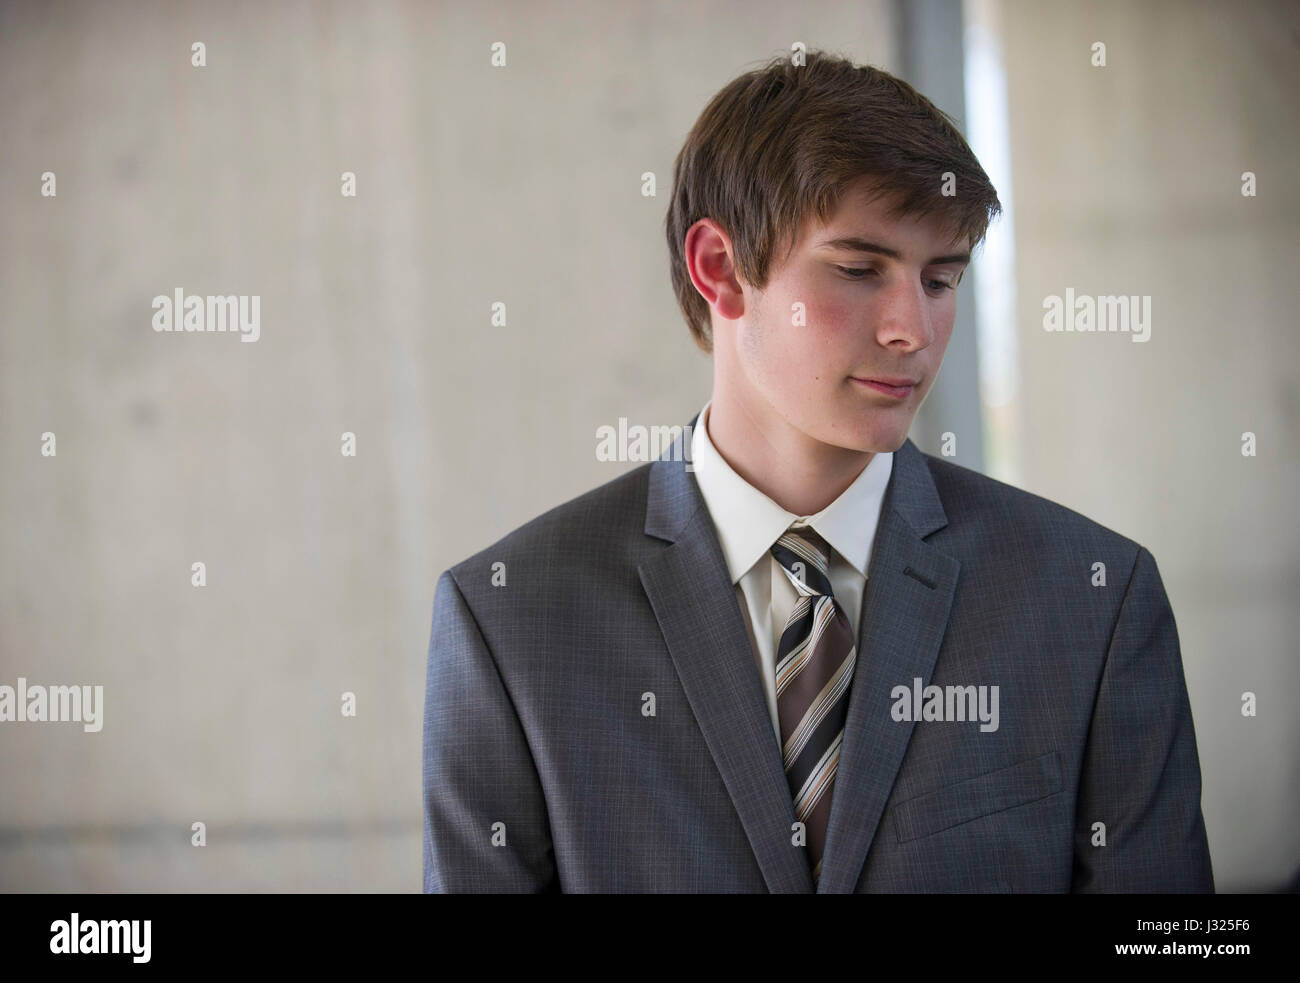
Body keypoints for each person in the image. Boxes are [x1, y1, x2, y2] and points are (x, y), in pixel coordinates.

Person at [422, 51, 1214, 893]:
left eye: (941, 278)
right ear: (720, 270)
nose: (913, 327)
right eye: (860, 270)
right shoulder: (511, 619)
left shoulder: (1092, 597)